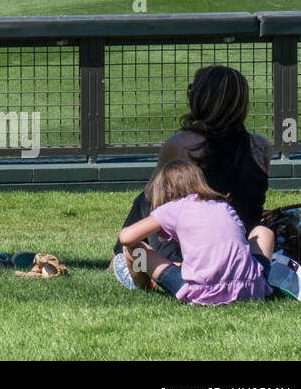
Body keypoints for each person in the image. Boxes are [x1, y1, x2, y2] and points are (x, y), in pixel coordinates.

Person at [114, 65, 270, 268]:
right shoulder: (261, 146)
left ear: (201, 99)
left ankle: (121, 257)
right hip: (241, 242)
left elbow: (154, 198)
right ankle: (122, 256)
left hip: (189, 248)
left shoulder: (183, 144)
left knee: (145, 199)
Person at [117, 160, 276, 305]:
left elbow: (126, 237)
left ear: (166, 188)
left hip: (202, 292)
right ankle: (263, 280)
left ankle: (143, 287)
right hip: (251, 288)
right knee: (263, 231)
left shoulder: (174, 208)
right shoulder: (222, 205)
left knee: (134, 248)